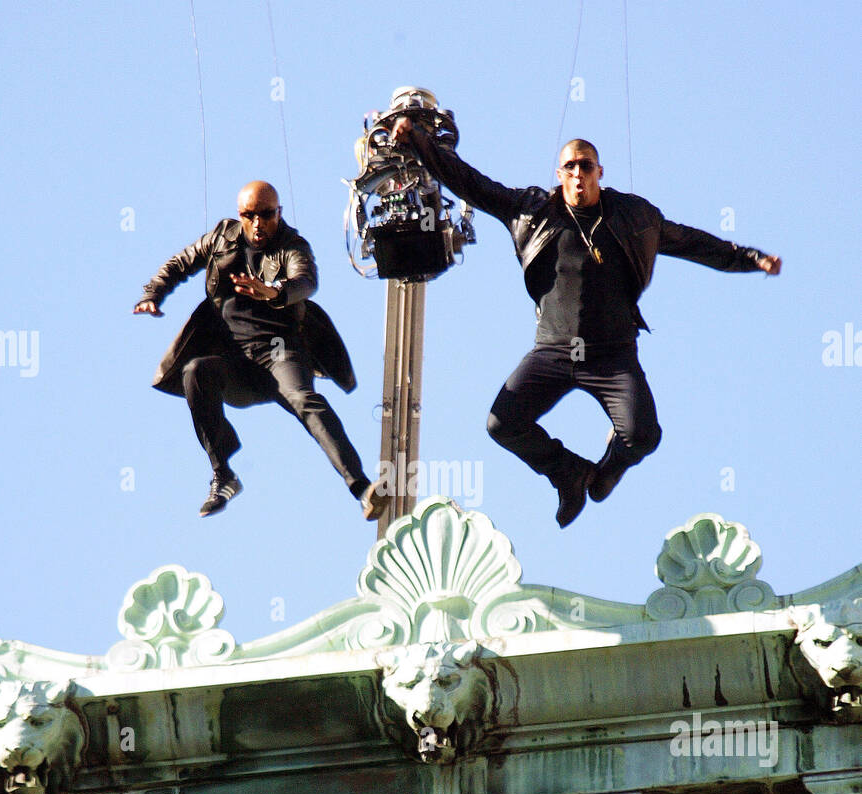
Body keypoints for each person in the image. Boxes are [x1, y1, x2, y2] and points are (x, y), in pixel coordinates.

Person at [389, 118, 781, 527]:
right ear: (559, 176)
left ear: (600, 172)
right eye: (571, 168)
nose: (579, 175)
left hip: (613, 355)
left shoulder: (636, 217)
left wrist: (750, 258)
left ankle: (607, 469)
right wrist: (418, 140)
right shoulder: (531, 211)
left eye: (587, 166)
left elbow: (694, 243)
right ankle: (567, 472)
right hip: (553, 351)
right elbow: (469, 182)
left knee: (643, 436)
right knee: (501, 424)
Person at [135, 182, 384, 519]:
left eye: (266, 215)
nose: (257, 224)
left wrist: (275, 292)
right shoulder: (222, 237)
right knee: (196, 370)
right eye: (249, 216)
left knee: (305, 401)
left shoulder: (292, 245)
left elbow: (306, 279)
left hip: (280, 354)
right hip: (236, 364)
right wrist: (153, 293)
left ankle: (361, 487)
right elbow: (181, 262)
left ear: (278, 213)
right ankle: (223, 474)